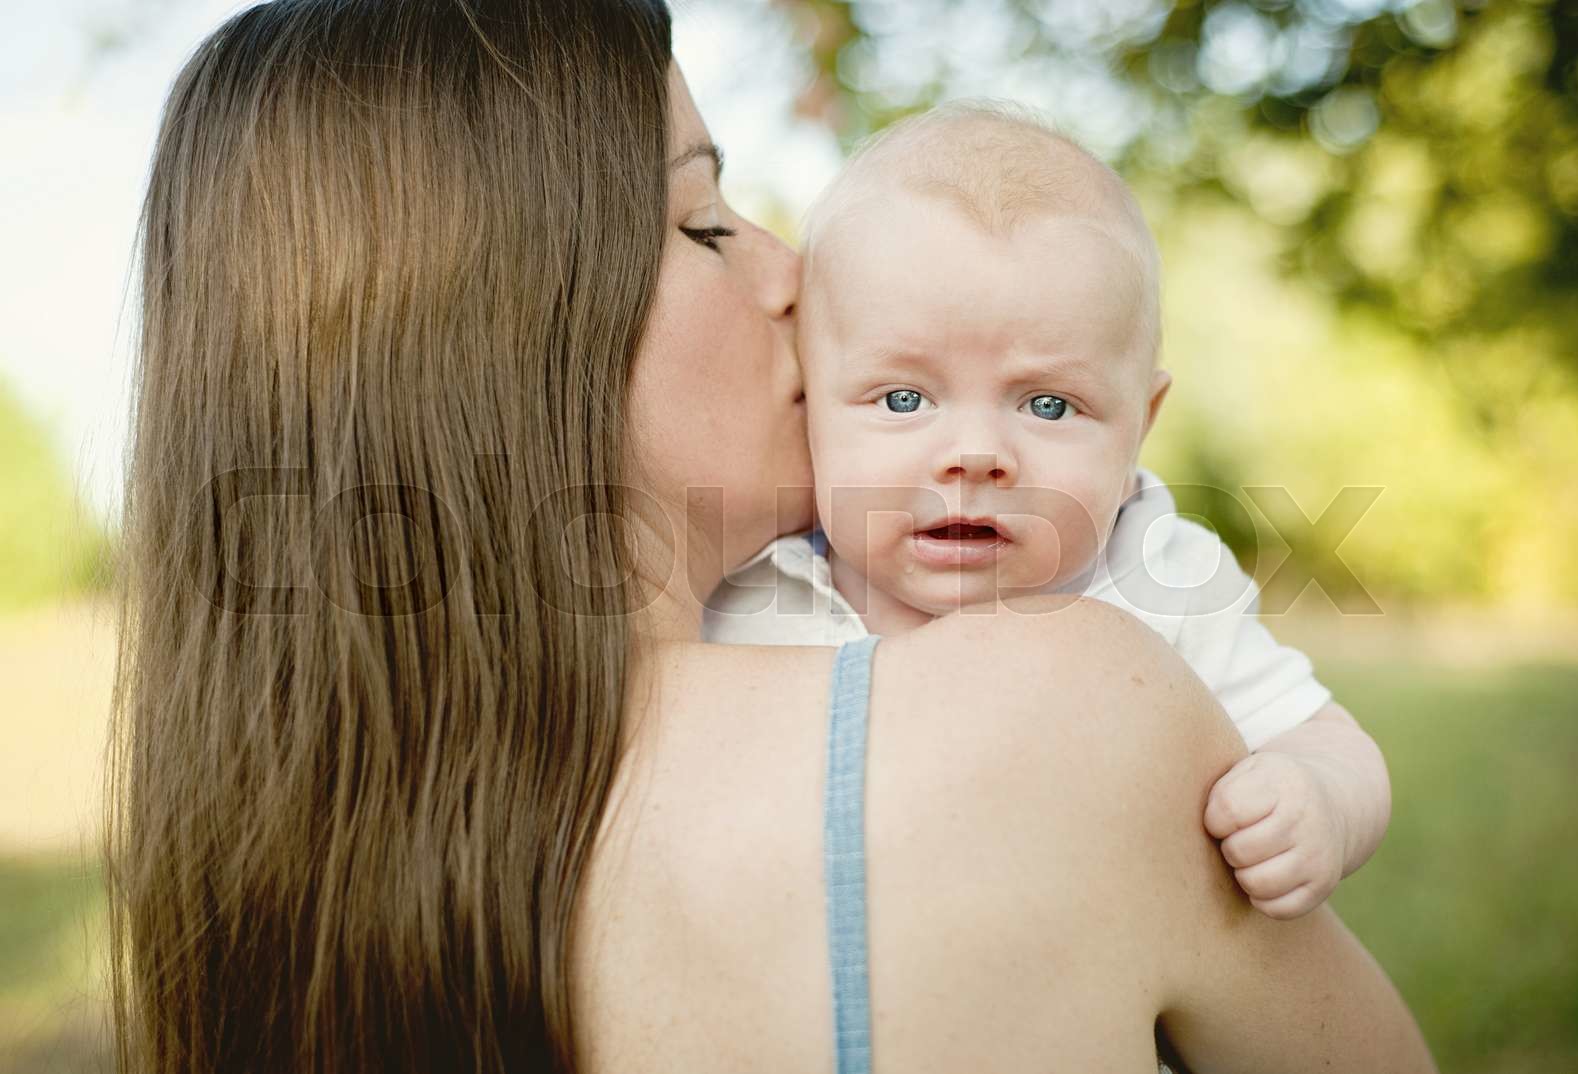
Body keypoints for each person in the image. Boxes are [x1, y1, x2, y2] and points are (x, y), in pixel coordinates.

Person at [106, 2, 1437, 1073]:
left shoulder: (293, 906)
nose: (792, 270)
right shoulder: (1054, 707)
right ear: (498, 352)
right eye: (702, 223)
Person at [704, 100, 1391, 922]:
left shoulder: (1157, 579)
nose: (976, 452)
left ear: (1143, 422)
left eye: (1049, 406)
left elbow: (1325, 737)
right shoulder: (752, 587)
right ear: (809, 398)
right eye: (902, 396)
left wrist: (1315, 796)